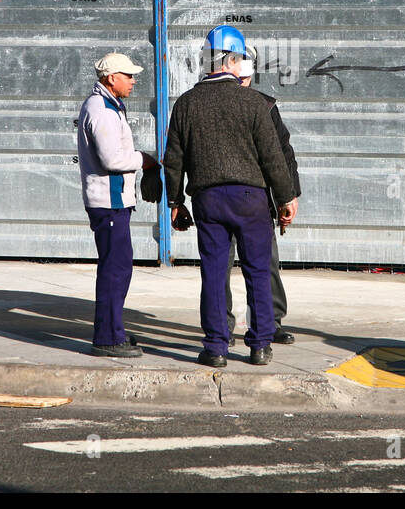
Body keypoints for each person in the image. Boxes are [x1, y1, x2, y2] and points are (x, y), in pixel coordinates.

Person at [162, 26, 298, 368]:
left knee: (213, 272)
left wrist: (175, 202)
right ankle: (260, 344)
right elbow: (272, 157)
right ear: (232, 60)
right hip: (250, 199)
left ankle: (216, 347)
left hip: (208, 200)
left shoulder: (186, 104)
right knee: (257, 270)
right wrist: (286, 198)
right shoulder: (253, 102)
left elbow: (174, 159)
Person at [77, 52, 159, 358]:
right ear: (111, 78)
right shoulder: (101, 110)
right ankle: (108, 338)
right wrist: (146, 160)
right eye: (129, 76)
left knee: (119, 267)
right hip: (108, 202)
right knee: (115, 269)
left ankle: (114, 329)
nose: (134, 81)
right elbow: (112, 159)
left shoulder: (109, 105)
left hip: (114, 201)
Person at [224, 45, 301, 345]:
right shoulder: (212, 103)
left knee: (265, 263)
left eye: (244, 77)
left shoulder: (266, 106)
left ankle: (270, 321)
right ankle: (222, 326)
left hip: (257, 201)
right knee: (221, 265)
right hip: (224, 197)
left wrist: (288, 196)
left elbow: (284, 154)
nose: (240, 82)